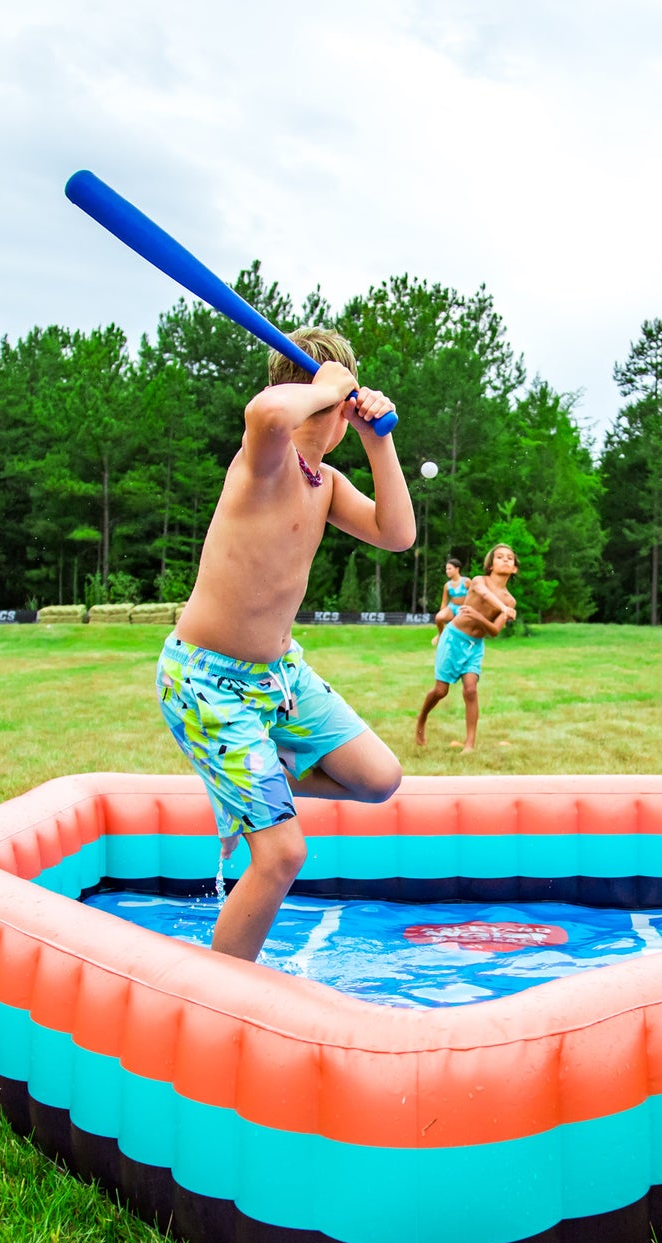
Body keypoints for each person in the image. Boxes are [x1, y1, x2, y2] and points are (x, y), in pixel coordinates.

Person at [156, 327, 413, 962]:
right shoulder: (263, 463)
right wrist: (324, 384)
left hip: (280, 677)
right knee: (283, 853)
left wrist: (376, 439)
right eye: (333, 401)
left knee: (380, 778)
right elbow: (266, 413)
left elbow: (397, 532)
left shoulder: (324, 484)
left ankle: (255, 781)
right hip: (206, 682)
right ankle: (222, 1003)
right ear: (307, 395)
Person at [415, 543, 517, 751]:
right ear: (490, 565)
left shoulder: (510, 600)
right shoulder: (479, 581)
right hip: (453, 639)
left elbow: (494, 631)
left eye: (510, 558)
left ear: (514, 568)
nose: (506, 559)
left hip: (475, 646)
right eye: (500, 557)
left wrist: (481, 616)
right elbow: (487, 595)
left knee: (470, 690)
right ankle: (421, 720)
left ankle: (469, 744)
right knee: (441, 691)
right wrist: (503, 609)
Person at [428, 557, 468, 647]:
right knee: (439, 617)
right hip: (452, 607)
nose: (447, 571)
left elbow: (474, 595)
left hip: (463, 608)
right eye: (446, 569)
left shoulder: (466, 581)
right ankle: (441, 635)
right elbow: (444, 602)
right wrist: (442, 611)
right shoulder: (447, 585)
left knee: (459, 625)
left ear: (457, 569)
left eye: (449, 569)